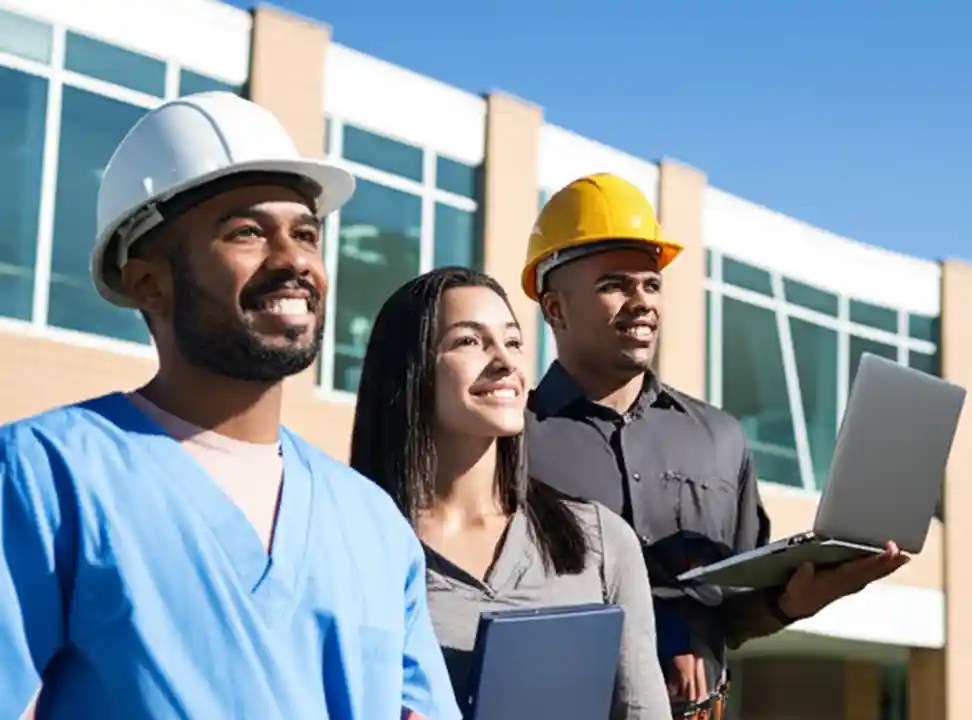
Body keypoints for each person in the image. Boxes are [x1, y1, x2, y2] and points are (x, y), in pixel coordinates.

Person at [0, 92, 459, 720]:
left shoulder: (373, 524)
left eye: (306, 234)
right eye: (247, 232)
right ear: (148, 282)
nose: (295, 260)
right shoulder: (43, 478)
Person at [521, 173, 912, 717]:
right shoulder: (509, 441)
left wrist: (790, 602)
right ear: (555, 309)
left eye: (651, 284)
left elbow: (736, 610)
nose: (642, 302)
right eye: (614, 284)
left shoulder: (720, 438)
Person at [348, 266, 672, 720]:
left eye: (514, 341)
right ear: (410, 370)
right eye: (470, 341)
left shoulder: (601, 542)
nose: (505, 362)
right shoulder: (350, 546)